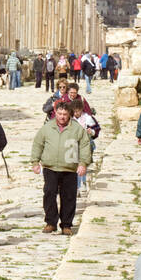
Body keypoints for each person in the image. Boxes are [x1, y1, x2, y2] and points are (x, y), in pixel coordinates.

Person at [30, 98, 91, 235]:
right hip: (50, 167)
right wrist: (35, 162)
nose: (62, 117)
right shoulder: (47, 128)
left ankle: (66, 225)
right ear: (55, 113)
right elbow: (38, 144)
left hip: (69, 168)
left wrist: (83, 163)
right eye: (59, 114)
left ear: (69, 114)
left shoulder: (77, 129)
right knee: (49, 194)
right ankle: (51, 222)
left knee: (69, 196)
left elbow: (85, 146)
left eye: (64, 114)